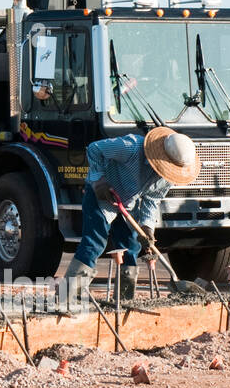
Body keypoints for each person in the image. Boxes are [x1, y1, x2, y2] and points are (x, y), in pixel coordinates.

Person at [61, 126, 200, 308]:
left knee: (131, 247)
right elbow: (94, 148)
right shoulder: (131, 147)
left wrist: (148, 227)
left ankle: (125, 300)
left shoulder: (168, 176)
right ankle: (68, 297)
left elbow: (152, 199)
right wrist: (99, 180)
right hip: (102, 196)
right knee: (94, 243)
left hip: (128, 203)